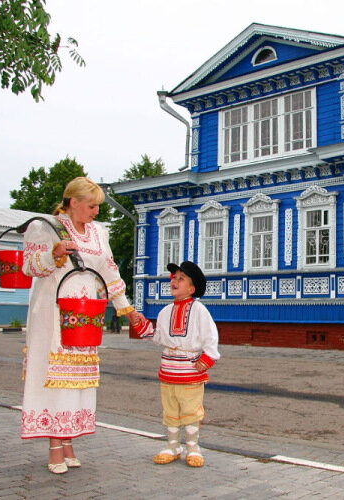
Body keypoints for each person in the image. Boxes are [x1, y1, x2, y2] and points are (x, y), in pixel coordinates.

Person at [20, 176, 145, 474]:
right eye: (91, 206)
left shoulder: (98, 233)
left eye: (97, 207)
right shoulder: (45, 226)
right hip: (53, 312)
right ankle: (54, 445)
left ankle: (68, 442)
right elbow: (28, 267)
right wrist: (54, 253)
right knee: (55, 377)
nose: (96, 212)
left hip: (86, 311)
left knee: (77, 380)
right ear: (73, 203)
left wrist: (126, 309)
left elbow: (109, 271)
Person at [151, 261, 220, 467]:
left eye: (181, 278)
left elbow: (210, 336)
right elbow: (158, 338)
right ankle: (172, 446)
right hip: (168, 370)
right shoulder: (164, 312)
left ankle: (193, 447)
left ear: (192, 288)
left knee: (190, 410)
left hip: (189, 371)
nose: (175, 281)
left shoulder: (199, 310)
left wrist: (207, 358)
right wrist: (140, 324)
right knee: (170, 409)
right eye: (174, 277)